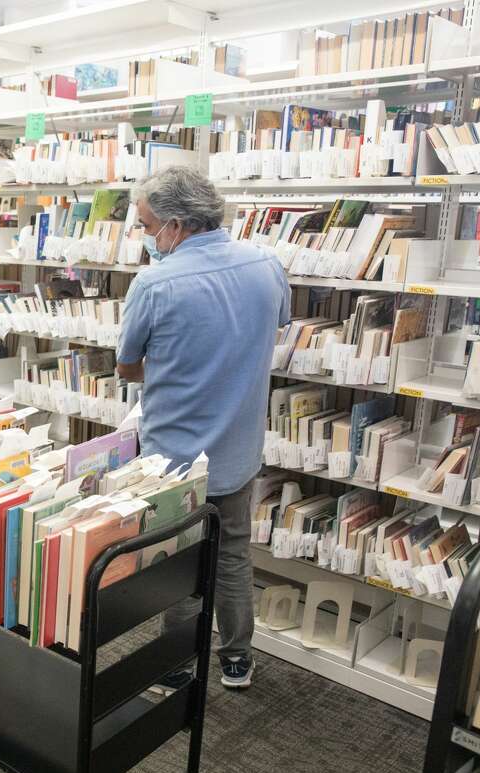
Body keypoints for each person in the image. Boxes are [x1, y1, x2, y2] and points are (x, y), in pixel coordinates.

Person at [115, 166, 290, 691]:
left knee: (179, 559)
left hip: (175, 457)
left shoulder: (154, 283)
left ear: (174, 224)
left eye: (147, 226)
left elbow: (127, 367)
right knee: (234, 554)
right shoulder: (266, 264)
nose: (147, 237)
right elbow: (276, 325)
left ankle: (176, 665)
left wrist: (176, 363)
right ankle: (236, 659)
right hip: (238, 448)